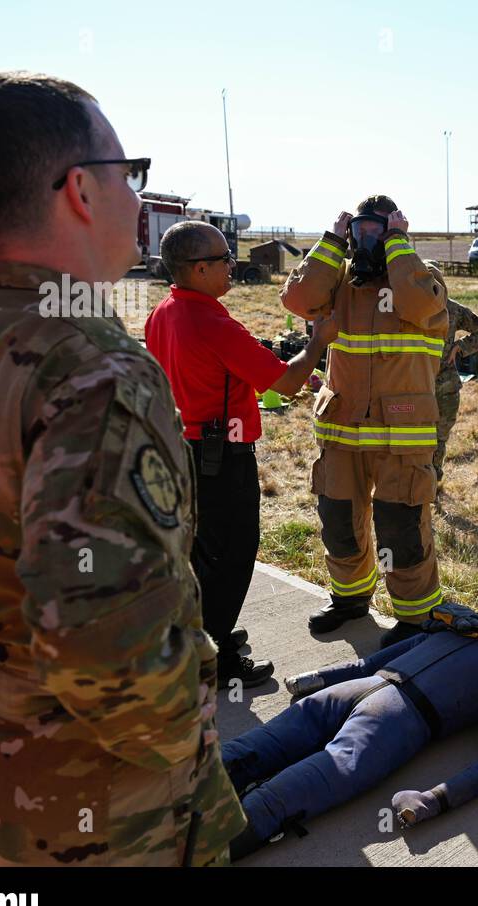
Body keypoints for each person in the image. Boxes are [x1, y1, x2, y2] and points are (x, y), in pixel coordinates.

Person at [0, 72, 244, 864]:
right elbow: (106, 645)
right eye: (131, 174)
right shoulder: (97, 367)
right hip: (111, 810)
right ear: (81, 189)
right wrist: (190, 735)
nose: (137, 199)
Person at [222, 604, 478, 860]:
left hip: (355, 689)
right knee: (288, 794)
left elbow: (369, 664)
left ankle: (181, 780)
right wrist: (435, 799)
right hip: (396, 719)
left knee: (249, 750)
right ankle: (207, 844)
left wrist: (319, 678)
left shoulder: (463, 625)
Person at [145, 220, 333, 688]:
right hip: (220, 456)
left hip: (180, 449)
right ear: (200, 268)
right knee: (230, 555)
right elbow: (286, 383)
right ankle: (214, 658)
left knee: (197, 552)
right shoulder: (211, 320)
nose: (233, 265)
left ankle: (208, 634)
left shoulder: (162, 312)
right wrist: (317, 342)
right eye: (225, 258)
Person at [280, 196, 449, 647]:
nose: (367, 239)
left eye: (380, 229)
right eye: (361, 229)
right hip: (341, 432)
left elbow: (415, 305)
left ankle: (416, 616)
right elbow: (298, 299)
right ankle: (350, 598)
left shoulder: (422, 279)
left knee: (402, 528)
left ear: (398, 232)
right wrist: (332, 242)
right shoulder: (339, 284)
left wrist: (397, 245)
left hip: (401, 436)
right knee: (338, 519)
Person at [433, 296, 478, 486]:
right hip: (413, 385)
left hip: (444, 385)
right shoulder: (409, 306)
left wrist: (461, 346)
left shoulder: (452, 309)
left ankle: (432, 482)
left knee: (439, 437)